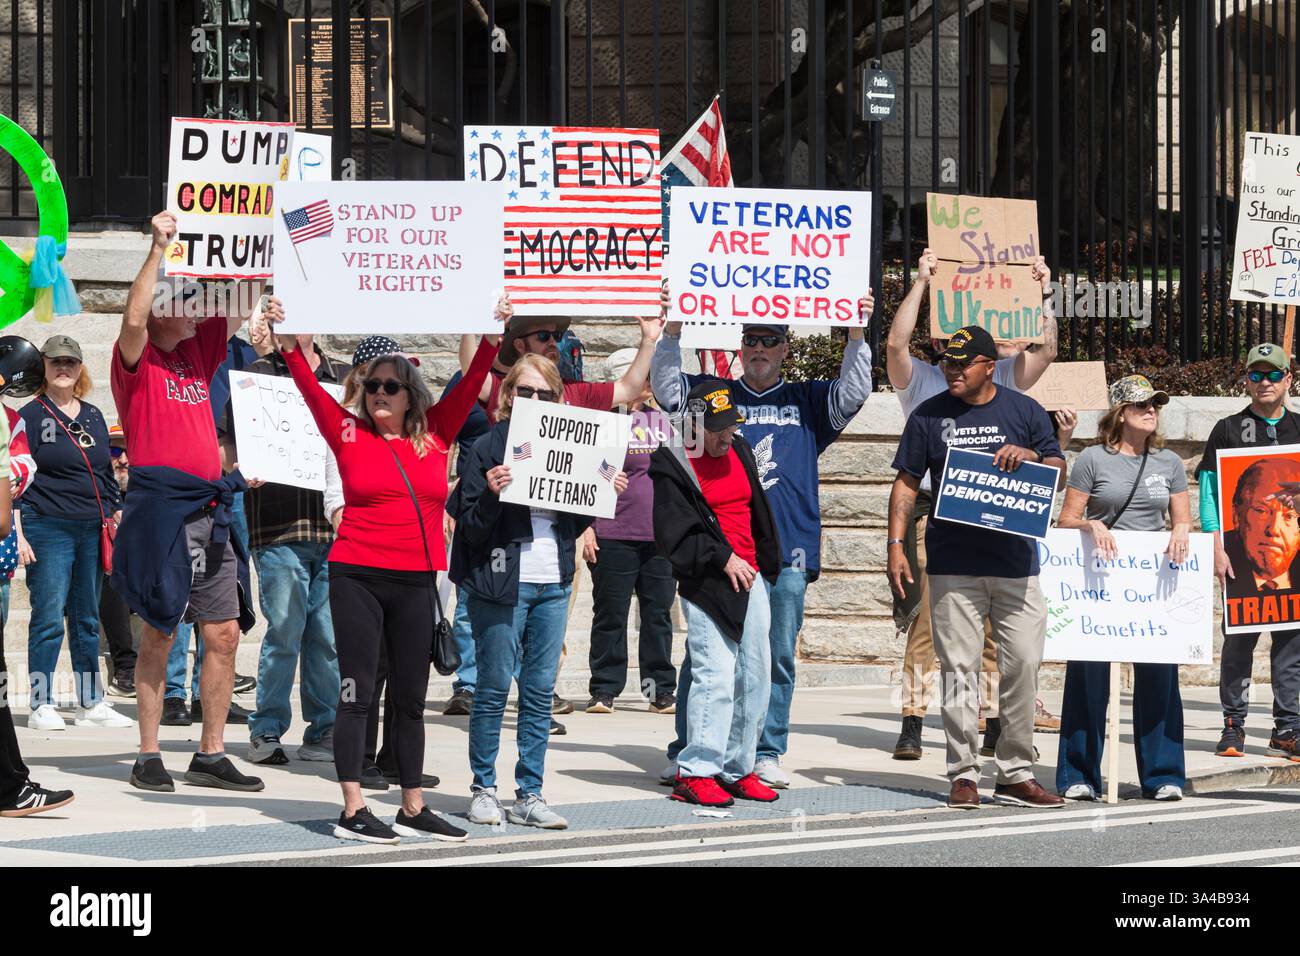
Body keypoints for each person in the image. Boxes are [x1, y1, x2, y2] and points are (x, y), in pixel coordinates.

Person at [270, 298, 503, 845]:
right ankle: (353, 808)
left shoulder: (438, 432)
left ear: (410, 394)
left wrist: (494, 329)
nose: (379, 394)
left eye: (390, 387)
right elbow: (305, 383)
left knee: (410, 698)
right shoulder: (346, 432)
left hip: (418, 579)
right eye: (372, 385)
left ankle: (412, 806)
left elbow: (472, 381)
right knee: (356, 693)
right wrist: (289, 341)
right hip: (356, 576)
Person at [651, 290, 874, 789]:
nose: (758, 349)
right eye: (751, 340)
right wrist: (670, 333)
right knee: (706, 659)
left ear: (784, 351)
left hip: (786, 551)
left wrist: (856, 333)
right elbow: (666, 391)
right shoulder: (716, 395)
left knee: (773, 658)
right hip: (722, 553)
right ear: (741, 346)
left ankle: (764, 751)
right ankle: (688, 748)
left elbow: (855, 392)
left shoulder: (809, 401)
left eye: (770, 342)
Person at [885, 248, 1062, 760]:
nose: (952, 365)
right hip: (934, 512)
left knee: (998, 644)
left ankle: (992, 729)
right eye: (947, 354)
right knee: (926, 626)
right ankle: (914, 719)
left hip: (1003, 533)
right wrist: (919, 281)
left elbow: (1046, 351)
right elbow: (896, 341)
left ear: (987, 364)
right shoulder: (922, 384)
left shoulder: (1012, 391)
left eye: (964, 359)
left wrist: (1045, 292)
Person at [113, 211, 265, 795]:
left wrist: (254, 229)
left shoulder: (197, 355)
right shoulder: (138, 359)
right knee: (160, 631)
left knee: (223, 633)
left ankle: (210, 752)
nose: (195, 305)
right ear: (158, 311)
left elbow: (241, 293)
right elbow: (131, 315)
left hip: (211, 511)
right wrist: (159, 249)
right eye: (182, 299)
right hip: (163, 513)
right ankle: (149, 752)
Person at [452, 355, 629, 829]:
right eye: (524, 392)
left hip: (553, 582)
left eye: (544, 394)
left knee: (537, 693)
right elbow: (467, 526)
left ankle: (530, 793)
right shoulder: (487, 447)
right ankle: (483, 789)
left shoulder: (573, 444)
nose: (533, 401)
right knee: (491, 690)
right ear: (509, 397)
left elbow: (575, 516)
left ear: (558, 400)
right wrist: (490, 493)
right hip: (501, 581)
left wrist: (601, 488)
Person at [1054, 376, 1190, 800]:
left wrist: (1183, 529)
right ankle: (1078, 774)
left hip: (1150, 583)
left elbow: (1181, 517)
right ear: (1119, 414)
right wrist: (1091, 522)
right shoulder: (1093, 459)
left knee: (1160, 681)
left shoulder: (1169, 463)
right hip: (1099, 580)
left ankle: (1163, 774)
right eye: (1141, 404)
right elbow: (1065, 520)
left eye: (1155, 403)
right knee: (1088, 678)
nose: (1151, 409)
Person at [649, 380, 783, 806]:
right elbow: (674, 534)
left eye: (730, 426)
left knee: (756, 676)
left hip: (751, 574)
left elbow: (755, 506)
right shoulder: (671, 460)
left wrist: (764, 562)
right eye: (716, 429)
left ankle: (737, 767)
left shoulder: (739, 448)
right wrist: (723, 557)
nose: (726, 436)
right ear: (692, 424)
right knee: (716, 676)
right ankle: (697, 770)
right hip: (708, 579)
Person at [224, 328, 350, 766]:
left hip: (334, 529)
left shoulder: (345, 380)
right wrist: (239, 467)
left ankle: (325, 728)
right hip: (278, 529)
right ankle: (267, 729)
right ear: (275, 327)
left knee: (329, 638)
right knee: (284, 632)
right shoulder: (255, 378)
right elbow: (228, 443)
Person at [1196, 343, 1300, 762]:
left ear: (1288, 379)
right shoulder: (1226, 428)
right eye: (1255, 376)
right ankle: (1233, 724)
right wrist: (1215, 543)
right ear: (1246, 382)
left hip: (1293, 561)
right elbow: (1208, 490)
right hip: (1239, 559)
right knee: (1238, 642)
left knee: (1291, 645)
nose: (1264, 383)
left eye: (1273, 375)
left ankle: (1288, 728)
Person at [21, 334, 130, 731]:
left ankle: (90, 702)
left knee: (86, 617)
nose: (63, 368)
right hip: (47, 524)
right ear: (43, 368)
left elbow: (103, 472)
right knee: (48, 616)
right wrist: (20, 531)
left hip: (91, 526)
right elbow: (17, 476)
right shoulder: (29, 416)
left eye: (70, 361)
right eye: (55, 362)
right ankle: (41, 703)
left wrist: (115, 512)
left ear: (81, 368)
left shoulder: (95, 415)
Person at [582, 348, 678, 714]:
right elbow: (582, 477)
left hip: (659, 536)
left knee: (657, 614)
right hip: (612, 531)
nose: (647, 382)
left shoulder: (665, 420)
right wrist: (587, 529)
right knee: (610, 613)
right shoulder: (599, 422)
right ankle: (604, 689)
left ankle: (660, 691)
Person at [99, 424, 137, 698]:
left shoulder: (145, 491)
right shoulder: (96, 490)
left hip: (143, 573)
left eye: (128, 451)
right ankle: (126, 670)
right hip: (106, 571)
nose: (122, 459)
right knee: (113, 582)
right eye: (114, 450)